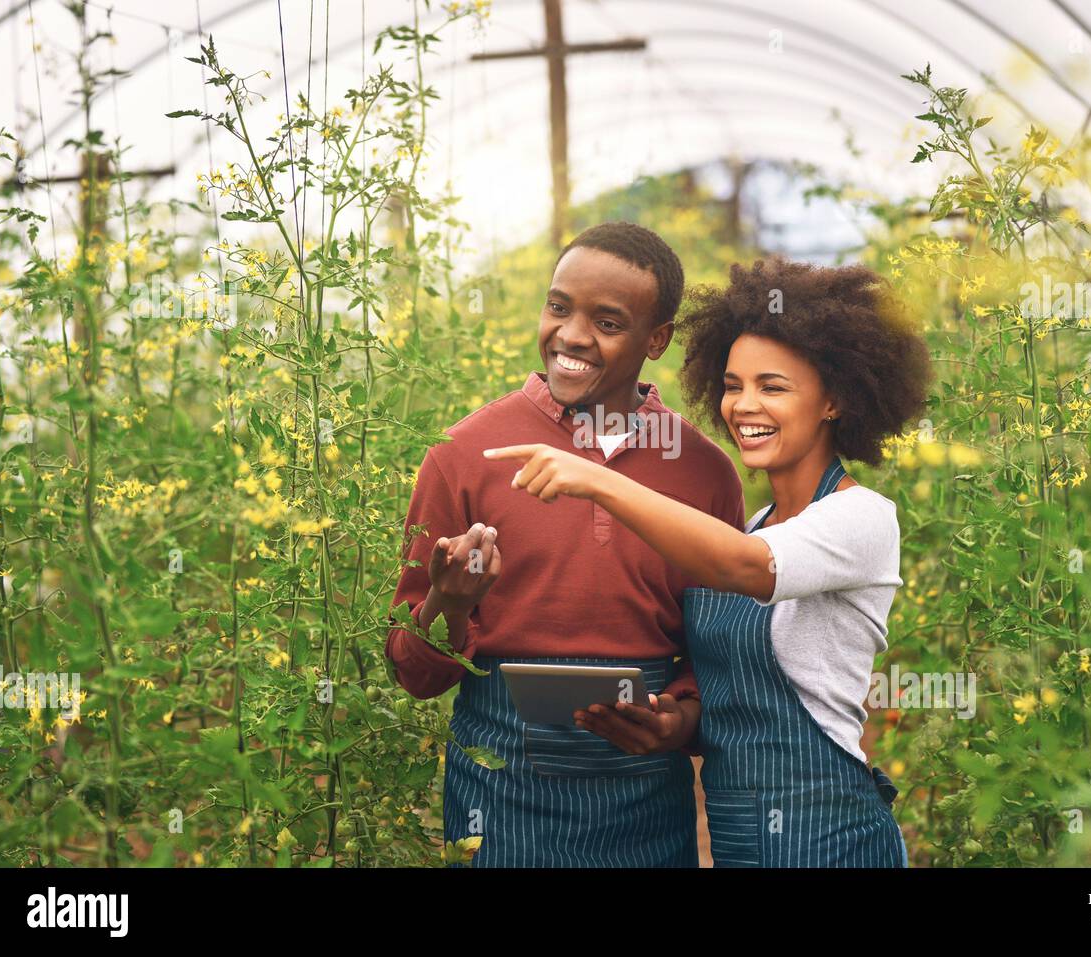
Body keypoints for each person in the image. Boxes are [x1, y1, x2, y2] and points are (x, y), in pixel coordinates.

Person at [485, 257, 932, 867]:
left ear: (834, 400)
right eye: (732, 385)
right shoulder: (756, 524)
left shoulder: (861, 519)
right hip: (737, 841)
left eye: (773, 387)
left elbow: (748, 567)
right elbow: (724, 694)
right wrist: (672, 721)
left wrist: (597, 481)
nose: (744, 406)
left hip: (828, 837)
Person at [385, 222, 745, 867]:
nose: (572, 335)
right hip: (499, 791)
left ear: (656, 339)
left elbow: (719, 653)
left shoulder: (703, 472)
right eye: (559, 307)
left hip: (646, 802)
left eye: (607, 321)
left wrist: (678, 724)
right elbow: (412, 672)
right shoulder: (464, 454)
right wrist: (451, 603)